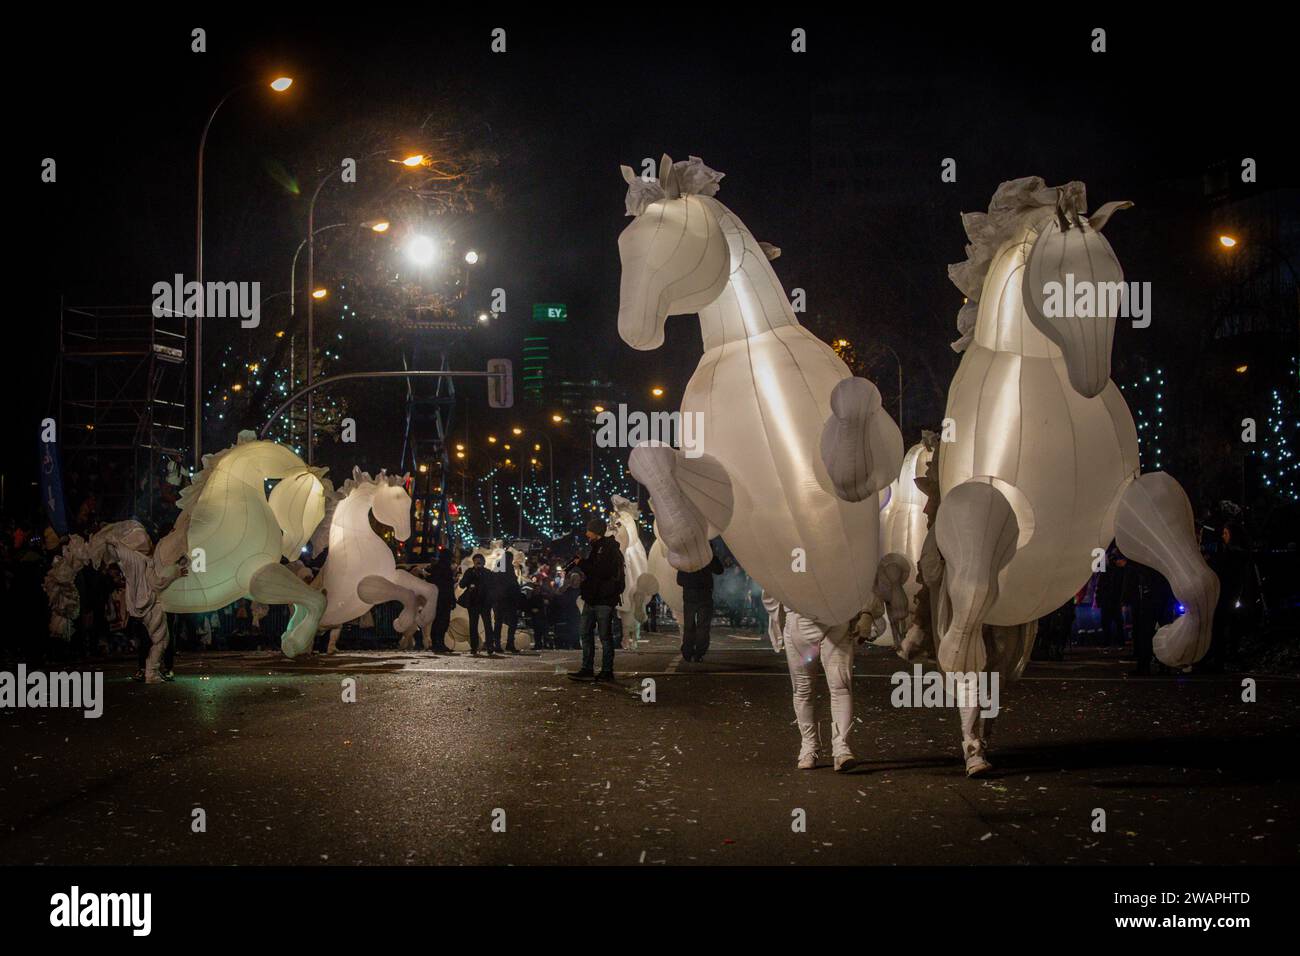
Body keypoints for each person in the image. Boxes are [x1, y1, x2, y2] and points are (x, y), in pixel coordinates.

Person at [568, 518, 624, 682]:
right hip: (592, 598)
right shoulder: (594, 548)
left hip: (604, 600)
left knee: (605, 636)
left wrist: (582, 564)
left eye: (589, 531)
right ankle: (587, 668)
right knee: (585, 633)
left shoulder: (609, 549)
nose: (587, 534)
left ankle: (607, 671)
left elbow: (603, 572)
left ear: (597, 531)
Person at [677, 551, 723, 661]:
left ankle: (688, 652)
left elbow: (679, 580)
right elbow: (719, 570)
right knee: (703, 626)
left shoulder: (685, 557)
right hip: (704, 595)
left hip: (689, 596)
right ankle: (699, 653)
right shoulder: (706, 556)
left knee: (689, 626)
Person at [458, 553, 491, 656]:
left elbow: (492, 586)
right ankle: (474, 647)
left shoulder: (487, 572)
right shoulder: (470, 572)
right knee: (473, 625)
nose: (478, 563)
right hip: (473, 603)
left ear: (483, 562)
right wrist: (470, 577)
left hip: (485, 603)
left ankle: (490, 645)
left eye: (480, 561)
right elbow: (462, 585)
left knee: (488, 625)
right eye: (476, 561)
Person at [426, 551, 455, 653]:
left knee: (437, 621)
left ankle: (436, 643)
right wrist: (453, 599)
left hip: (437, 598)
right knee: (443, 621)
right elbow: (449, 586)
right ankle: (440, 643)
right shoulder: (446, 569)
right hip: (444, 598)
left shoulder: (436, 568)